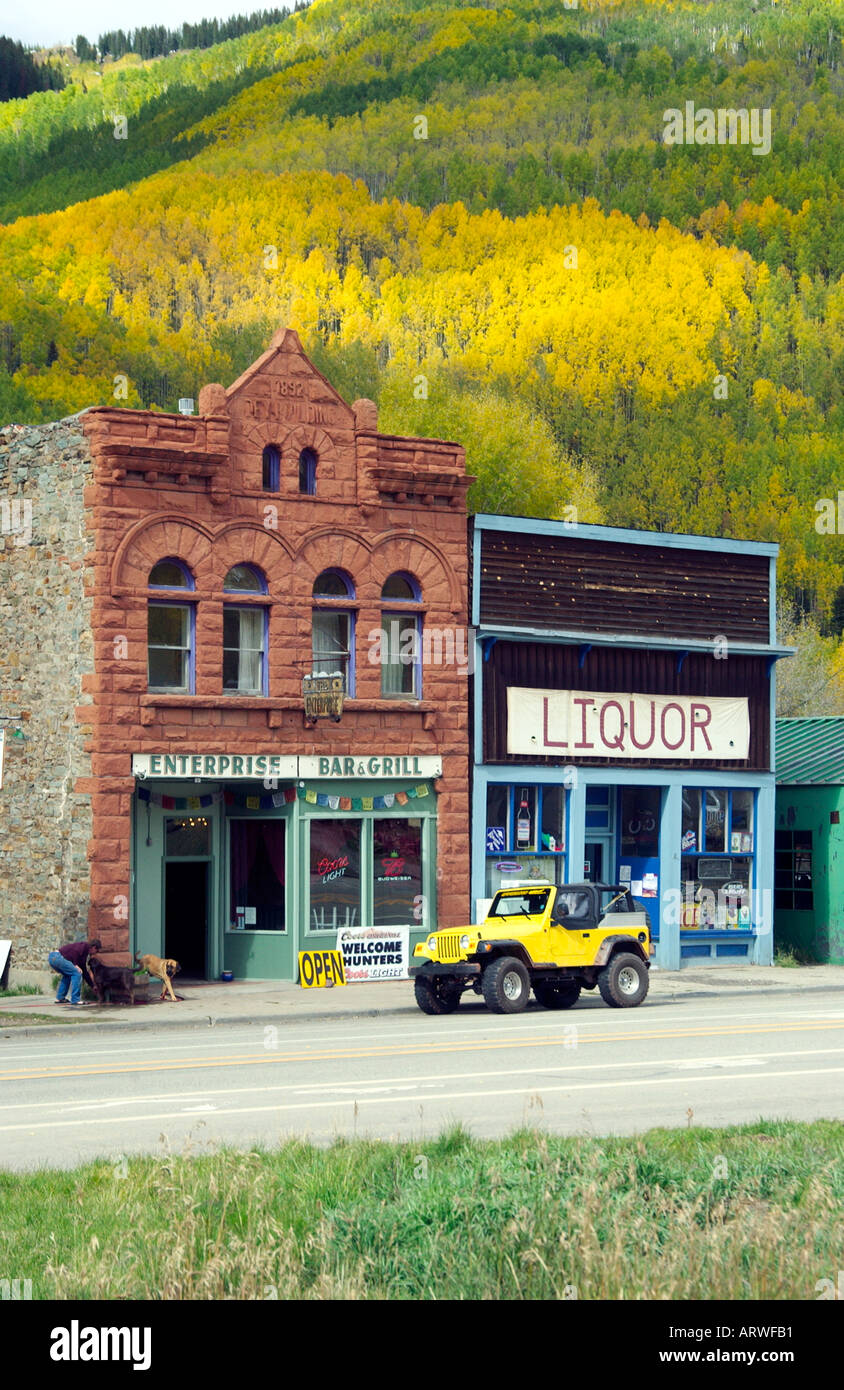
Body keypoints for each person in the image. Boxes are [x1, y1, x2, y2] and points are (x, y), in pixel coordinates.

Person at [48, 938, 102, 1006]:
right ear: (94, 947)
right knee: (77, 973)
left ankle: (60, 998)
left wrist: (92, 985)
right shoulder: (84, 946)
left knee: (67, 975)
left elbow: (84, 971)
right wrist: (75, 964)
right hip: (57, 957)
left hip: (52, 958)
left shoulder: (84, 954)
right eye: (97, 951)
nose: (96, 953)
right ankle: (75, 1000)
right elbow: (75, 951)